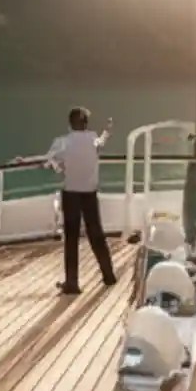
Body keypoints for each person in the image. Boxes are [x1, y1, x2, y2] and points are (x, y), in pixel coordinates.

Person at [47, 108, 116, 295]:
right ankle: (108, 275)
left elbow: (52, 162)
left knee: (71, 239)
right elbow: (101, 141)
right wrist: (107, 130)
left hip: (71, 194)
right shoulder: (93, 139)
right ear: (86, 124)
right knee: (97, 235)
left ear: (70, 124)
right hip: (90, 194)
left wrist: (58, 167)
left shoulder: (63, 143)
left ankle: (72, 283)